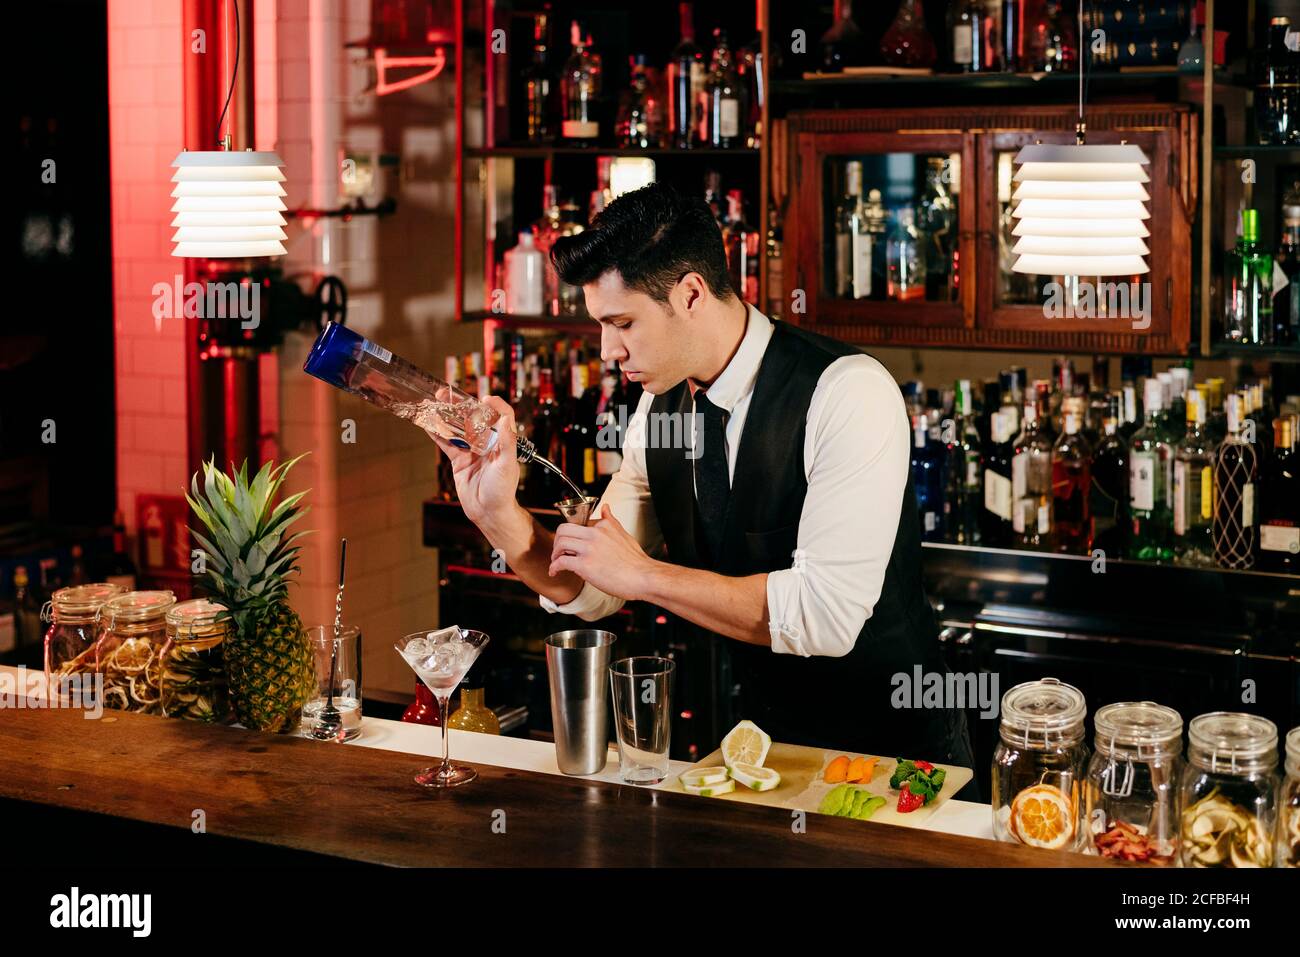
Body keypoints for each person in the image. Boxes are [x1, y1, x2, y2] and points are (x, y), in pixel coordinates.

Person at [432, 182, 977, 785]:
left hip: (895, 757)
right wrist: (497, 514)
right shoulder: (658, 409)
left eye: (623, 322)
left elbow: (825, 616)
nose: (609, 349)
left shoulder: (847, 390)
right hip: (762, 755)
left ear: (690, 293)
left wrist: (645, 575)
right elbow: (593, 589)